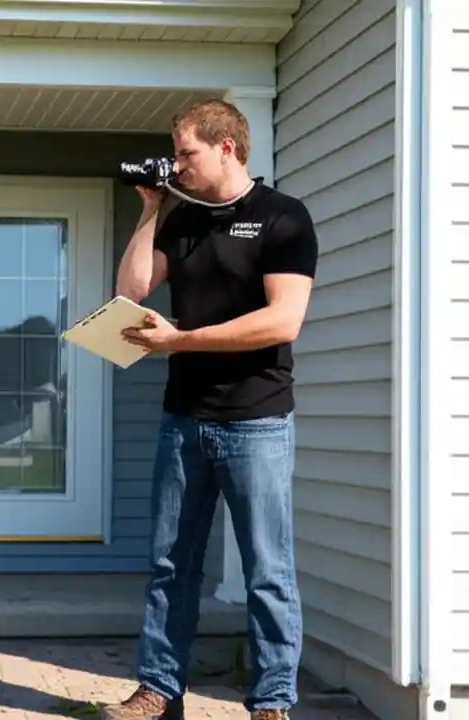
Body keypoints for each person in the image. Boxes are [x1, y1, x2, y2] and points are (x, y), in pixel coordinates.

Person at [98, 98, 318, 720]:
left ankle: (272, 702)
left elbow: (283, 319)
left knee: (267, 570)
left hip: (258, 422)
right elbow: (131, 293)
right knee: (171, 564)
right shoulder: (180, 218)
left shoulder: (283, 218)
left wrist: (181, 340)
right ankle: (159, 692)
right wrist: (149, 209)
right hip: (184, 420)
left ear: (226, 147)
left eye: (186, 153)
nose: (177, 164)